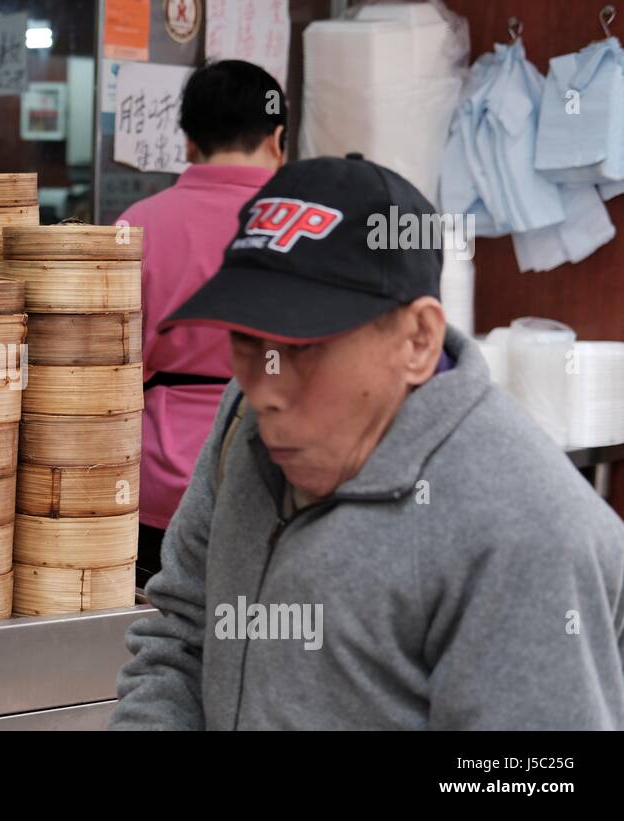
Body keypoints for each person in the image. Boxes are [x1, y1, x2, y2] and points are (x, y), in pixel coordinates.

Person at [109, 155, 624, 730]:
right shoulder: (245, 416)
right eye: (246, 341)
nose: (265, 387)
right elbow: (181, 632)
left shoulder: (526, 532)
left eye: (302, 348)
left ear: (418, 340)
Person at [117, 60, 287, 586]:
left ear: (189, 143)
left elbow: (112, 367)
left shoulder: (136, 225)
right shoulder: (302, 226)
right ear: (277, 138)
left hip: (157, 484)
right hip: (275, 472)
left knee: (161, 638)